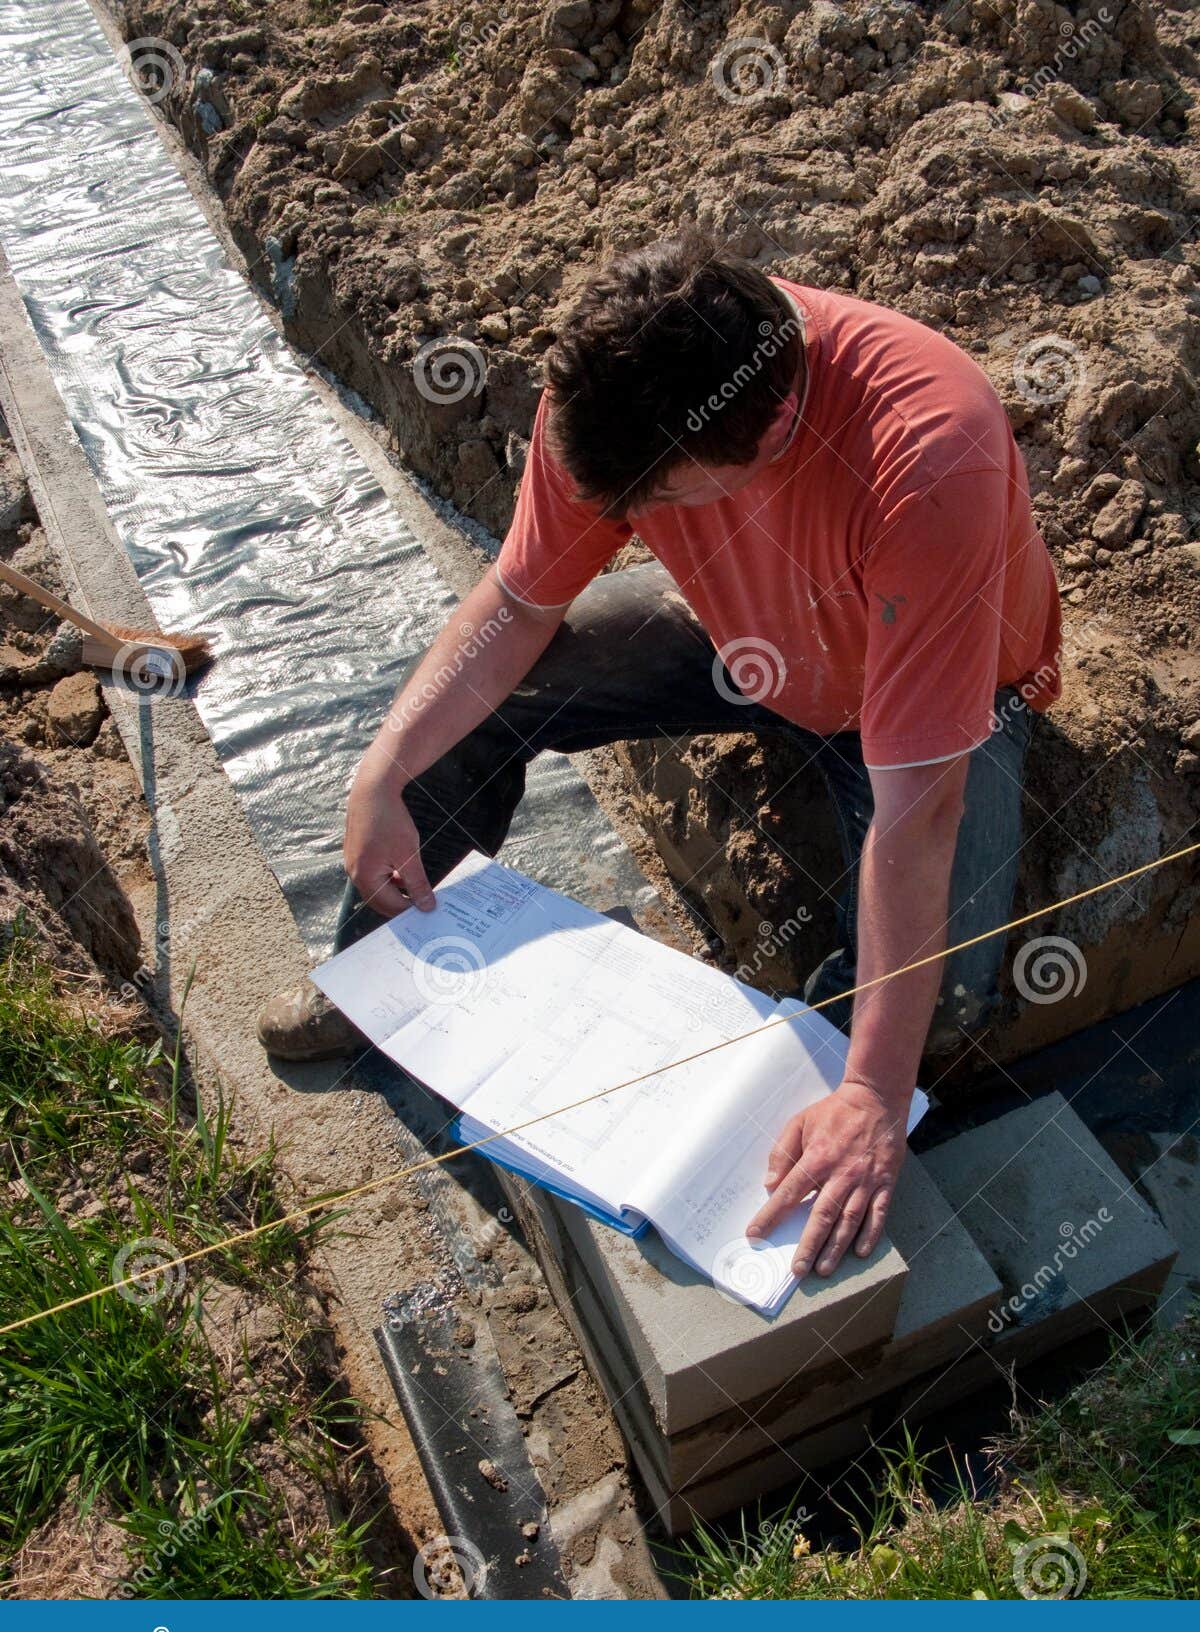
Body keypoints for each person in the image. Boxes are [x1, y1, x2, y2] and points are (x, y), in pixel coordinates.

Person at [258, 231, 1061, 1281]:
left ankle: (765, 1146)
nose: (641, 524)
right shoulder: (614, 390)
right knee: (513, 690)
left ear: (773, 427)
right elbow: (516, 607)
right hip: (758, 649)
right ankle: (378, 974)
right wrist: (385, 768)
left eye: (671, 503)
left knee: (937, 1000)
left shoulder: (924, 454)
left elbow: (920, 811)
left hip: (937, 693)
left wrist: (869, 1092)